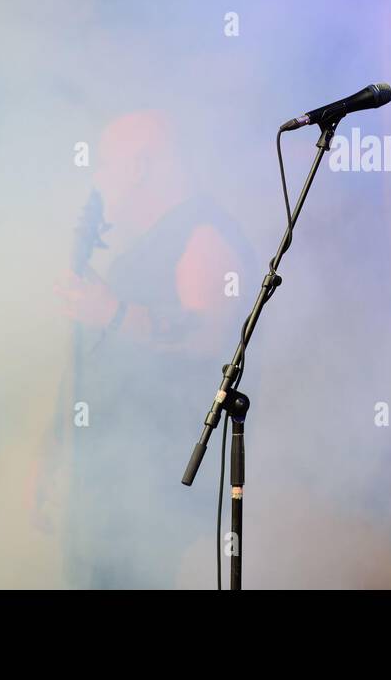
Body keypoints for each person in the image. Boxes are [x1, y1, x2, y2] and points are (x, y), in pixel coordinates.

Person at [49, 110, 249, 587]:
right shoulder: (152, 241)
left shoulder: (202, 235)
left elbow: (209, 341)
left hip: (159, 491)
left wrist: (114, 312)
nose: (99, 178)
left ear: (141, 165)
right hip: (118, 482)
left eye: (105, 163)